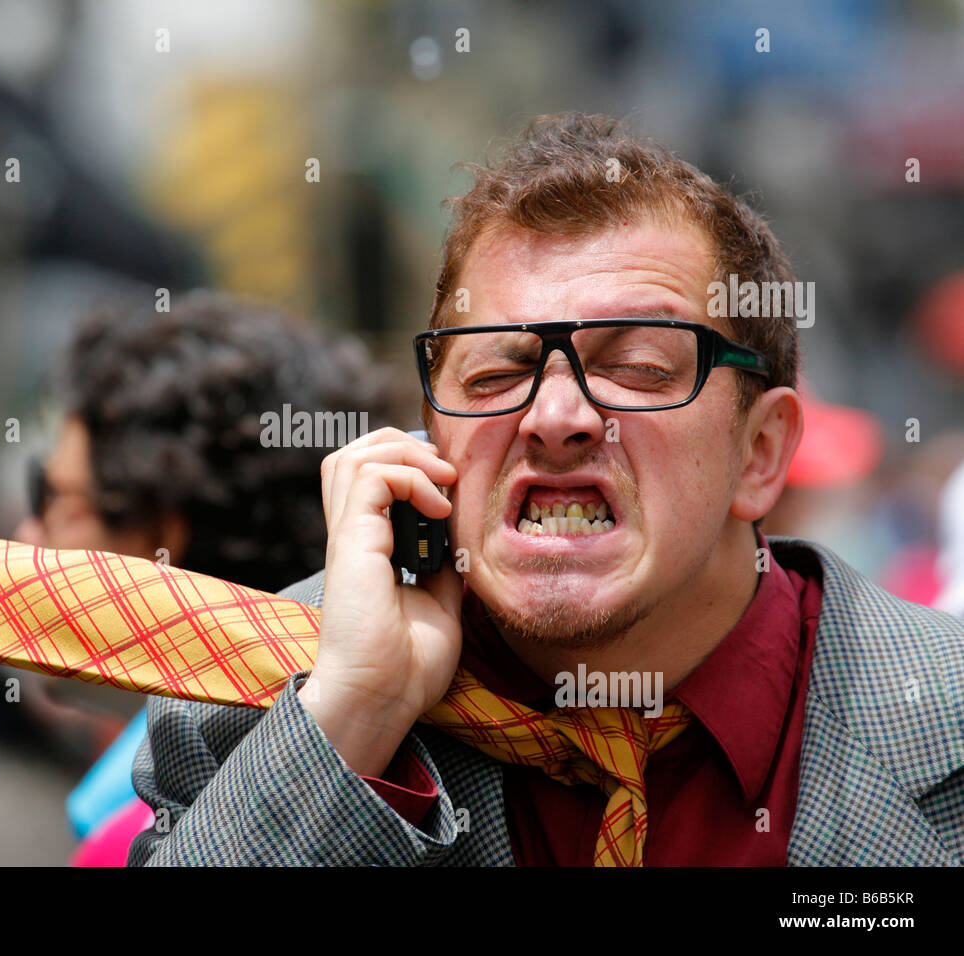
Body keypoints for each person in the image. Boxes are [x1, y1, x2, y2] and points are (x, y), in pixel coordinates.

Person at [128, 113, 964, 866]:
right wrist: (355, 713)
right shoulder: (254, 705)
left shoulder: (944, 715)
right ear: (432, 438)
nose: (556, 416)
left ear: (761, 451)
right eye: (498, 372)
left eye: (637, 368)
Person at [9, 289, 400, 863]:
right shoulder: (393, 770)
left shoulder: (138, 838)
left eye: (56, 500)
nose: (25, 536)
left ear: (164, 537)